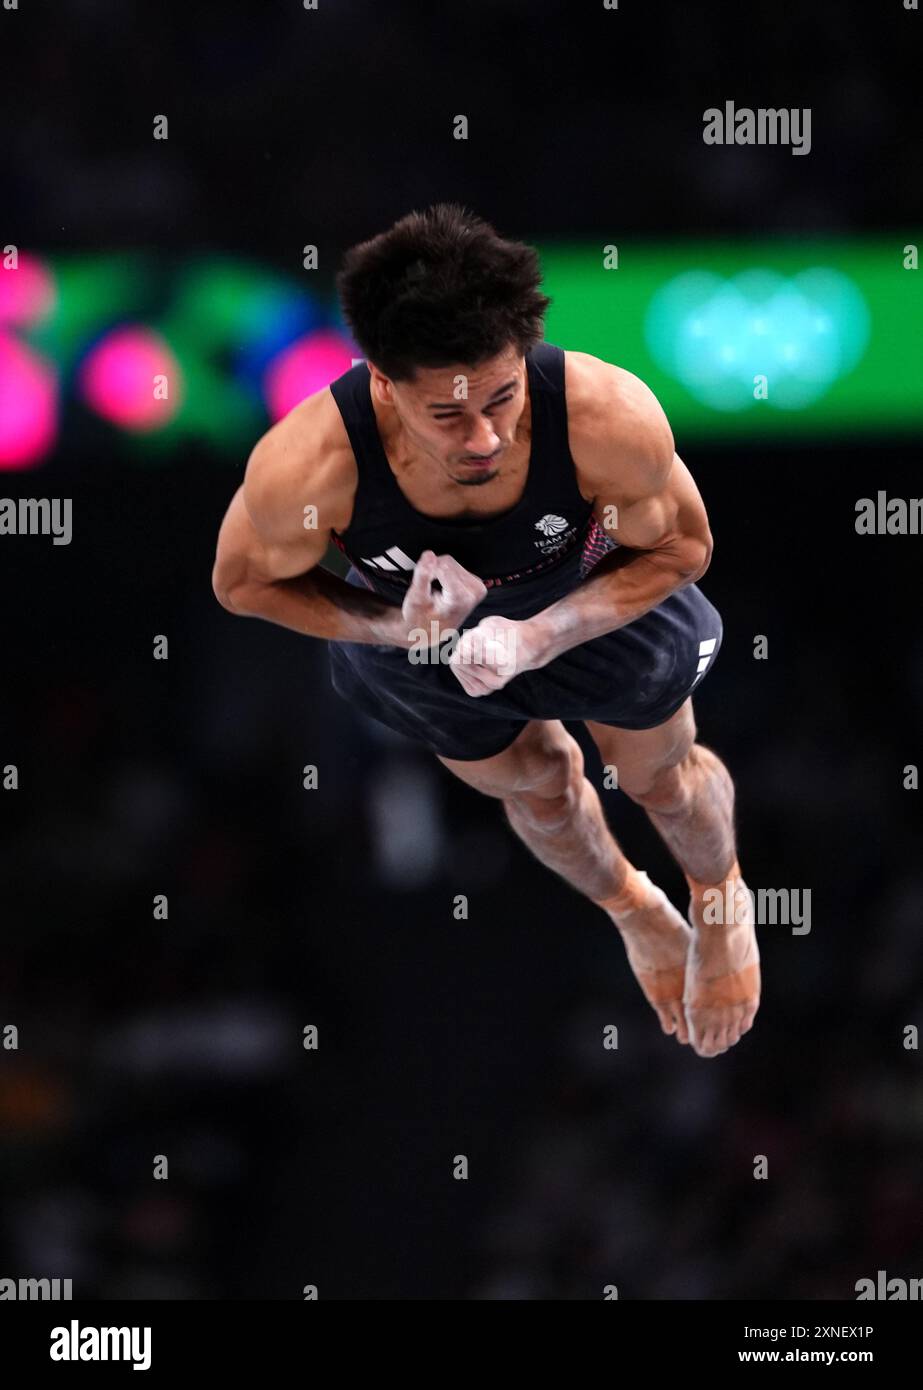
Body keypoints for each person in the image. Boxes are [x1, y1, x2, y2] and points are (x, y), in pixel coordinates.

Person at [212, 203, 759, 1059]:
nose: (487, 437)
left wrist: (542, 633)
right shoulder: (309, 463)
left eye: (503, 399)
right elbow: (243, 583)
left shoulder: (604, 415)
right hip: (420, 638)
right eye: (449, 416)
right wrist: (398, 628)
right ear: (385, 385)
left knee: (658, 778)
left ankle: (718, 894)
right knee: (539, 786)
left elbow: (684, 545)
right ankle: (632, 907)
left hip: (589, 600)